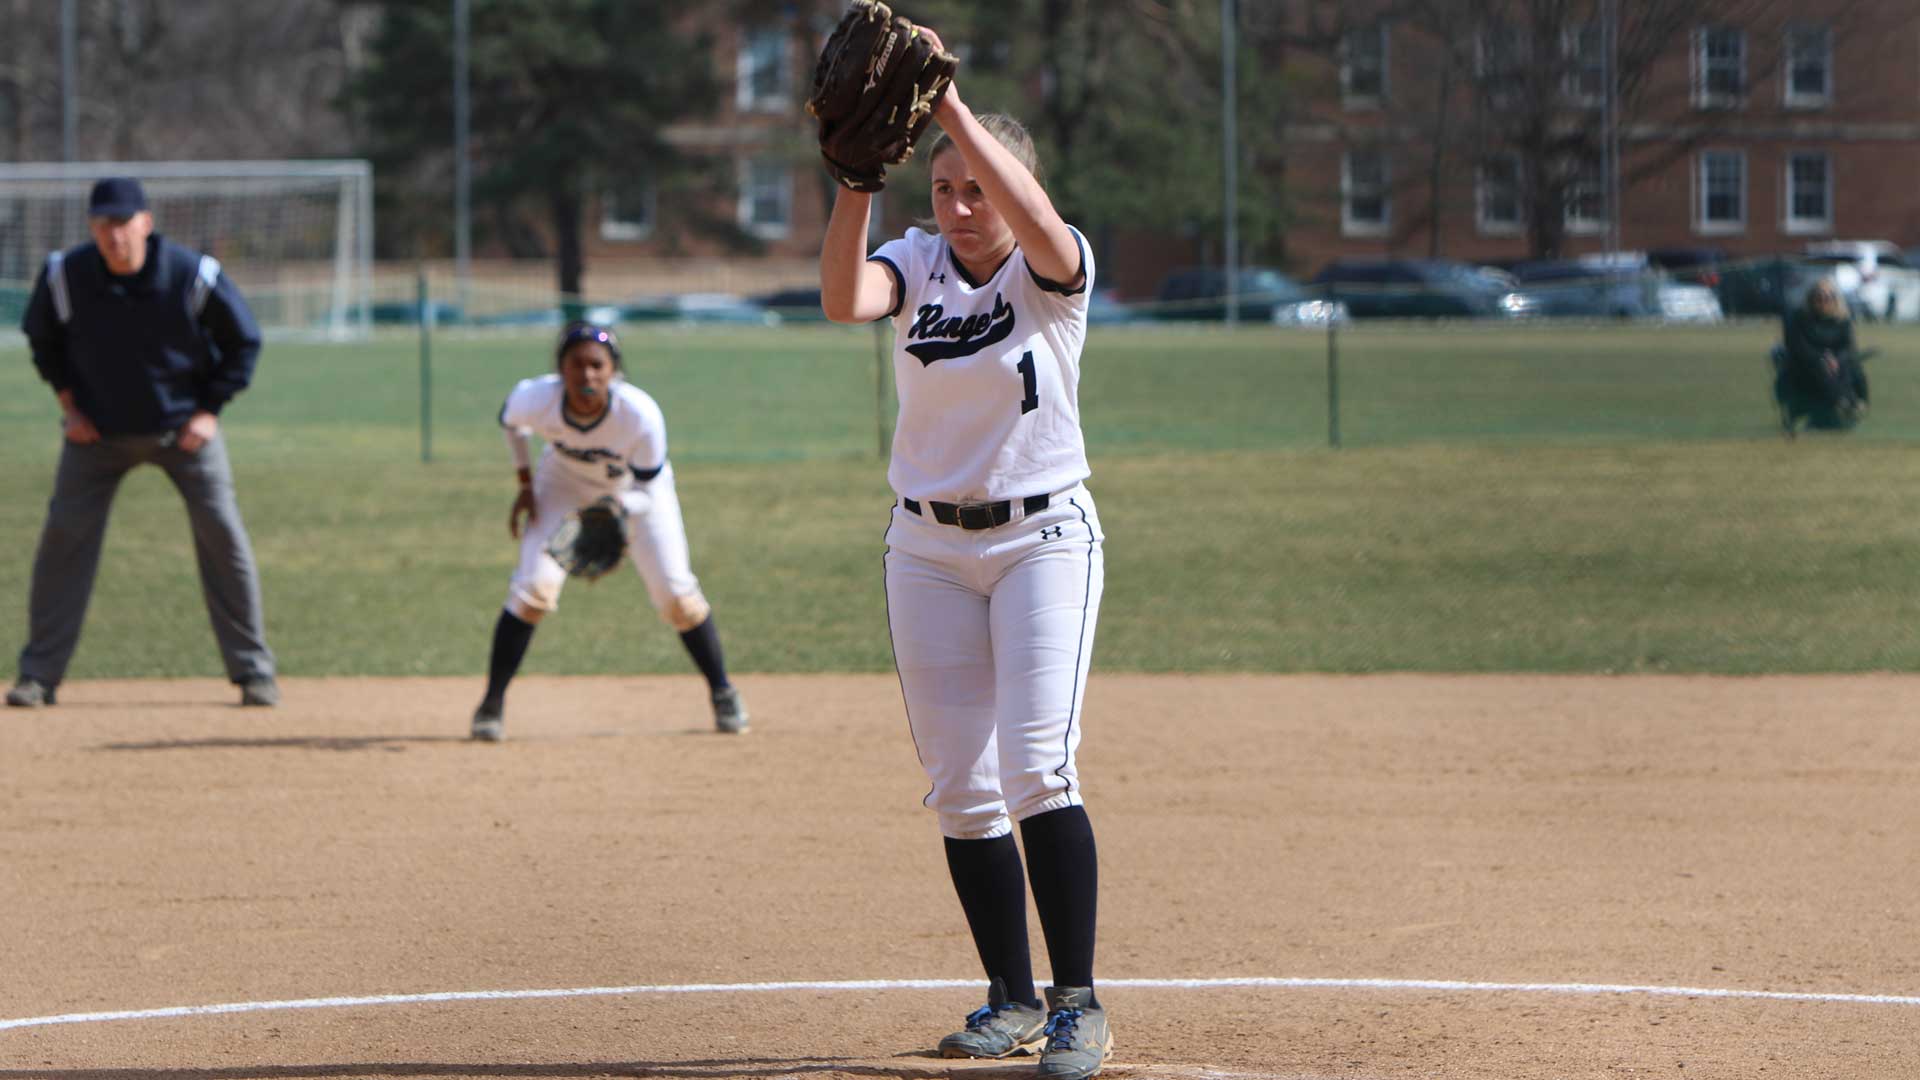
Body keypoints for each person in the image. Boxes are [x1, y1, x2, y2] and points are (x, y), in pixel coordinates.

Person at [818, 35, 1113, 1080]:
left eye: (975, 186)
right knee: (960, 785)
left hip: (1043, 540)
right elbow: (843, 300)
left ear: (1009, 183)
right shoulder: (915, 261)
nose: (957, 203)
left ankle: (1078, 1004)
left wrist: (949, 110)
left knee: (1040, 763)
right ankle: (1011, 995)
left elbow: (1035, 220)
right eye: (944, 190)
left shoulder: (1052, 269)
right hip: (926, 549)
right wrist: (857, 182)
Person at [9, 177, 278, 709]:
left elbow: (243, 340)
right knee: (62, 543)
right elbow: (43, 340)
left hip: (183, 434)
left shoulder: (192, 275)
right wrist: (69, 407)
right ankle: (38, 676)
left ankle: (254, 672)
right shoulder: (66, 276)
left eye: (124, 223)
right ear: (92, 227)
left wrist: (208, 412)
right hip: (96, 436)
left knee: (224, 537)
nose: (115, 236)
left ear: (146, 224)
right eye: (104, 225)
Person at [471, 321, 749, 741]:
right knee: (534, 590)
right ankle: (491, 705)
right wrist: (526, 485)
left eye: (597, 365)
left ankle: (723, 692)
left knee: (677, 597)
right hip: (562, 484)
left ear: (613, 370)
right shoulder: (535, 398)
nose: (587, 375)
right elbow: (511, 424)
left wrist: (615, 509)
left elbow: (649, 491)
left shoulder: (639, 415)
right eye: (576, 364)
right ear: (560, 369)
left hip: (634, 494)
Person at [1775, 278, 1867, 433]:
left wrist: (1836, 359)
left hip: (1837, 365)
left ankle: (1848, 403)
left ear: (1835, 299)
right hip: (1805, 366)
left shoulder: (1842, 321)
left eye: (1827, 297)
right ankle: (1843, 401)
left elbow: (1847, 346)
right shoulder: (1800, 318)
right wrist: (1822, 358)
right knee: (1821, 368)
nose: (1823, 301)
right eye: (1819, 297)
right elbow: (1798, 346)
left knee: (1852, 367)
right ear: (1811, 299)